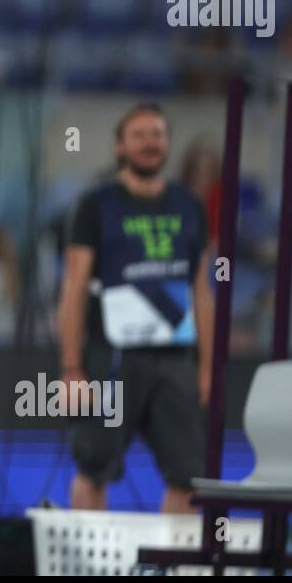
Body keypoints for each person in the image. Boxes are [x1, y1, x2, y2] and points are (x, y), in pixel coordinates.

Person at [57, 103, 213, 514]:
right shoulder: (97, 204)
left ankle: (174, 565)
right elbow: (73, 288)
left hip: (175, 359)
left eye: (158, 134)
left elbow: (202, 290)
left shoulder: (189, 205)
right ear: (120, 147)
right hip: (112, 357)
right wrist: (72, 370)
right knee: (94, 468)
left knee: (190, 477)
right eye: (140, 135)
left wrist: (207, 368)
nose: (150, 143)